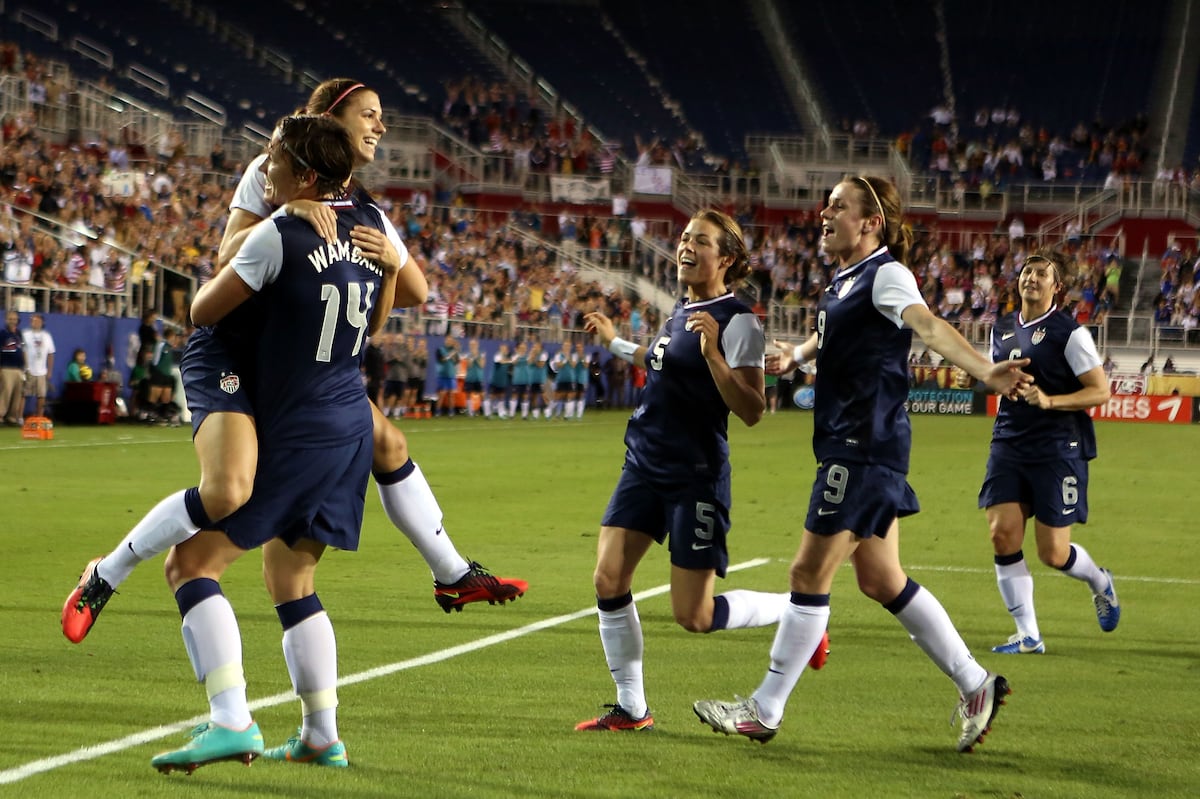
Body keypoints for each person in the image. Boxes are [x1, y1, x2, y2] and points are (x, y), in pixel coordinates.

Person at [62, 80, 525, 644]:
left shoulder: (362, 206)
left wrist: (382, 267)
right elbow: (224, 257)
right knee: (229, 492)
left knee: (378, 455)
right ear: (331, 122)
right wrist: (286, 213)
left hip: (298, 360)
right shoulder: (273, 169)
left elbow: (414, 292)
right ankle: (106, 573)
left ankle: (449, 575)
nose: (380, 127)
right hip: (236, 349)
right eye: (369, 115)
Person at [693, 176, 1030, 753]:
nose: (824, 211)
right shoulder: (844, 282)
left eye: (839, 205)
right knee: (880, 578)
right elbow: (832, 338)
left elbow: (925, 324)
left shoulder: (887, 274)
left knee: (806, 575)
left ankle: (764, 708)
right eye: (825, 201)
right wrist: (794, 356)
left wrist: (984, 370)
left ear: (870, 222)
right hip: (857, 447)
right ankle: (976, 684)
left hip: (861, 448)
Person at [144, 114, 388, 773]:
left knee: (190, 563)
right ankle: (320, 734)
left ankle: (229, 720)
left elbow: (202, 310)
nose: (263, 166)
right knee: (292, 575)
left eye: (274, 159)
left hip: (302, 425)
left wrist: (264, 237)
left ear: (305, 175)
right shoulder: (376, 226)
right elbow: (379, 319)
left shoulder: (280, 230)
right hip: (349, 421)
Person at [574, 209, 817, 733]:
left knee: (694, 616)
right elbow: (659, 359)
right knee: (608, 576)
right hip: (643, 462)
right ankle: (632, 707)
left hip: (695, 475)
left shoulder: (740, 320)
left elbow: (753, 408)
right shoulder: (681, 310)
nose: (685, 246)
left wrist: (715, 357)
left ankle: (798, 614)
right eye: (683, 237)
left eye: (699, 241)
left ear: (725, 258)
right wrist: (615, 341)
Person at [980, 252, 1118, 656]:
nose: (1032, 279)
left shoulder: (1069, 333)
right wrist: (999, 383)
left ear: (1057, 287)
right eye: (1027, 272)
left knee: (1053, 553)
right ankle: (1028, 635)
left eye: (1042, 274)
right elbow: (994, 379)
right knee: (1001, 534)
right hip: (1008, 441)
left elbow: (1101, 391)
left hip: (1058, 447)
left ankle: (1099, 581)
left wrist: (1050, 400)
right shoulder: (1002, 328)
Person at [21, 312, 54, 418]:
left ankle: (39, 417)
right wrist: (26, 368)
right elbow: (22, 351)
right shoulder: (25, 334)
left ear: (42, 322)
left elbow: (51, 354)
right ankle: (19, 417)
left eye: (37, 320)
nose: (35, 322)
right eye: (33, 320)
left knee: (41, 395)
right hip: (28, 370)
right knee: (23, 394)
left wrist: (49, 371)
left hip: (42, 372)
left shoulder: (47, 336)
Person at [0, 310, 24, 425]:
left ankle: (12, 417)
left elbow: (22, 350)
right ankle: (0, 415)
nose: (12, 321)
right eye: (10, 319)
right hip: (6, 368)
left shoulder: (19, 334)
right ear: (6, 320)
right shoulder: (2, 334)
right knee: (5, 393)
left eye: (14, 319)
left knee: (17, 394)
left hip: (18, 369)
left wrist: (24, 368)